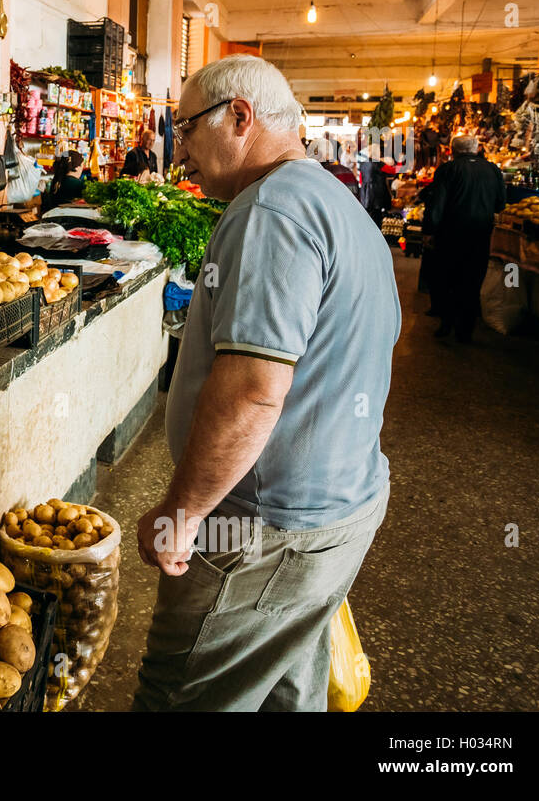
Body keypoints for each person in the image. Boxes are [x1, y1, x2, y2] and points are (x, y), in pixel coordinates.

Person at [132, 54, 400, 711]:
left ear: (239, 117)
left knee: (185, 695)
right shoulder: (338, 204)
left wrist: (183, 512)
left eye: (187, 128)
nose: (179, 150)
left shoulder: (271, 212)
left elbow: (255, 387)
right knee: (284, 695)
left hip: (261, 534)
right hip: (336, 515)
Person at [422, 134, 507, 341]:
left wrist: (430, 230)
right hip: (480, 234)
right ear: (477, 148)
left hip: (450, 234)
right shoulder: (493, 170)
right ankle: (465, 330)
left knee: (448, 278)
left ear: (453, 150)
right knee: (472, 280)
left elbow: (438, 202)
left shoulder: (448, 170)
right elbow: (501, 204)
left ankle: (446, 324)